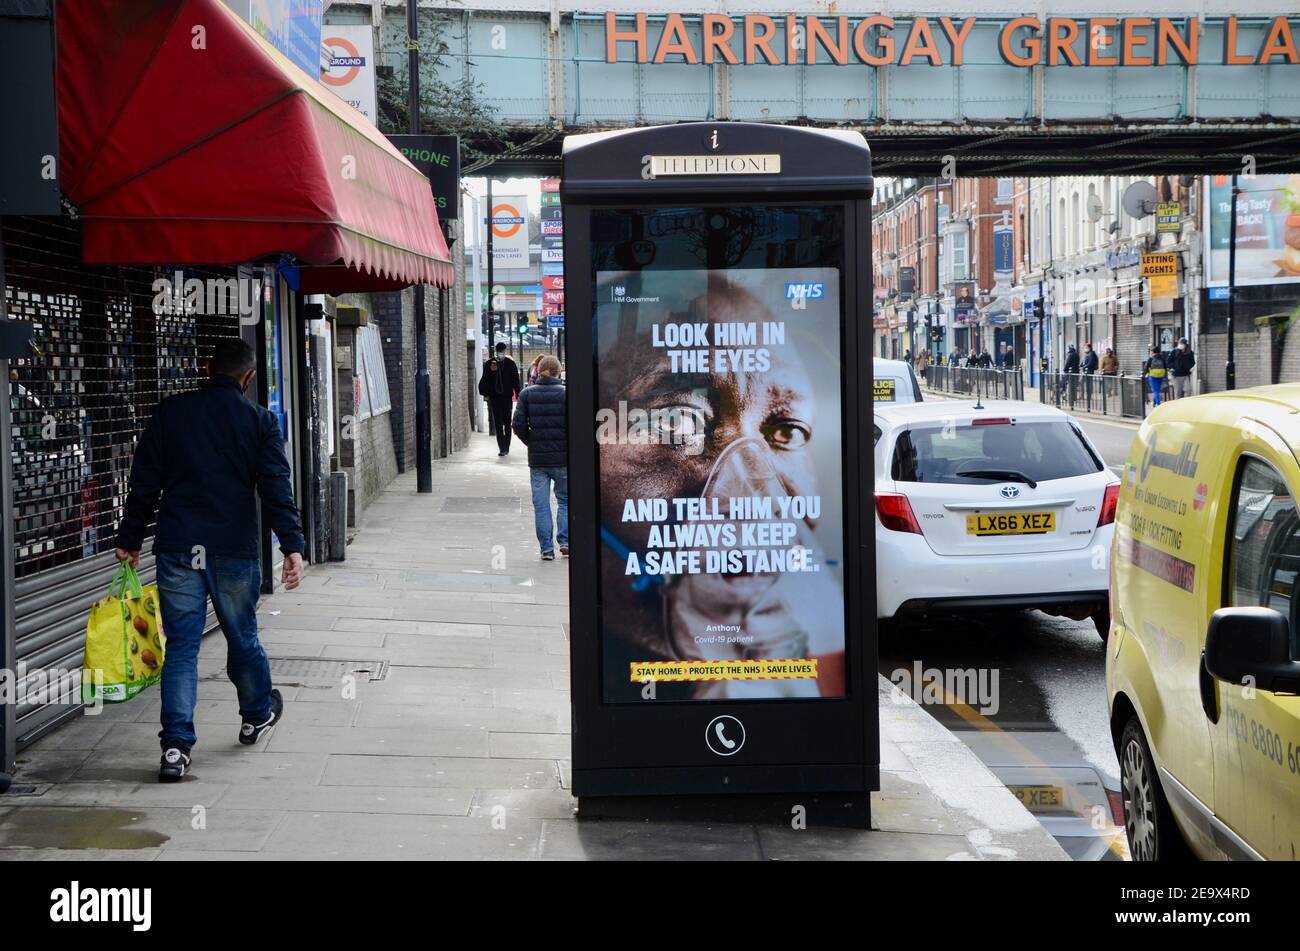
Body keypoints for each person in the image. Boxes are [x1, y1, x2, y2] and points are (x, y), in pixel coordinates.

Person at [114, 339, 304, 782]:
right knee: (242, 636)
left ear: (205, 368)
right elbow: (276, 486)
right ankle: (256, 713)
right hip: (232, 548)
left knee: (181, 645)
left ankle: (176, 747)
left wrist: (130, 538)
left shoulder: (171, 413)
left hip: (179, 545)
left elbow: (144, 481)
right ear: (250, 377)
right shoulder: (259, 421)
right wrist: (291, 544)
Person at [512, 355, 568, 561]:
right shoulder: (566, 394)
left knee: (541, 504)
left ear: (539, 371)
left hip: (538, 461)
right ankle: (565, 541)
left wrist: (531, 441)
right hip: (563, 458)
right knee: (565, 500)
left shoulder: (527, 394)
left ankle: (546, 549)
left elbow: (517, 424)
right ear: (558, 372)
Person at [478, 342, 521, 456]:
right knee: (499, 422)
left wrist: (518, 395)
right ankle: (502, 447)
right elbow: (485, 380)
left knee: (506, 422)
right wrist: (491, 371)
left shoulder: (510, 364)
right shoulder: (490, 364)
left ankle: (505, 446)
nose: (501, 353)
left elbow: (516, 381)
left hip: (505, 397)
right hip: (496, 397)